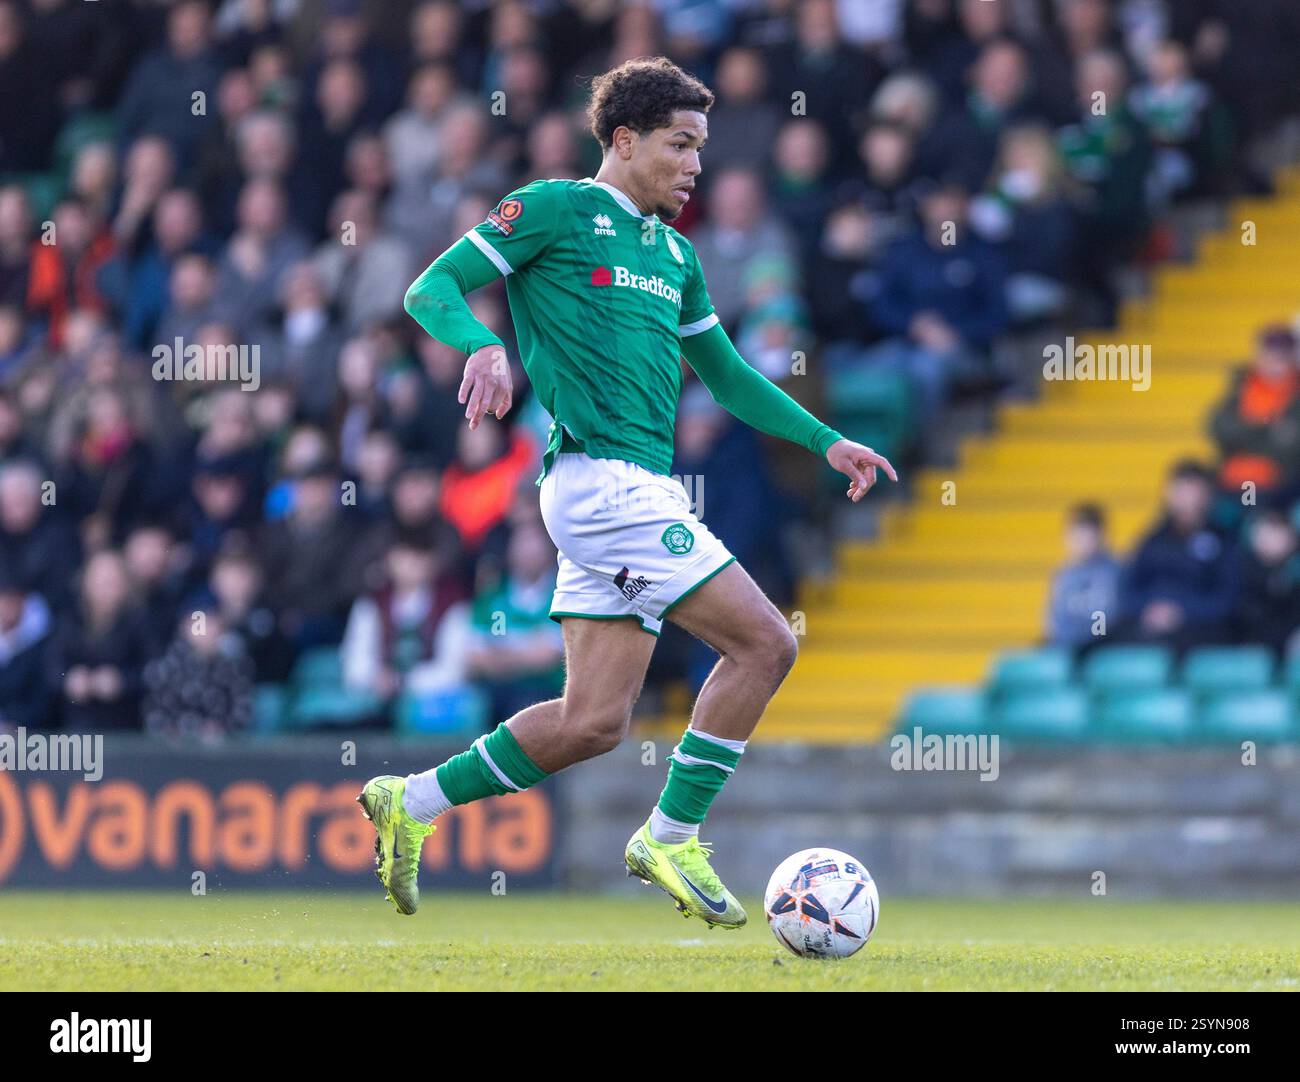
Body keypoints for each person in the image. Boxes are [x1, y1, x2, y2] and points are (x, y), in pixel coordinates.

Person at [358, 57, 896, 927]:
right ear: (624, 139)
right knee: (765, 645)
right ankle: (671, 835)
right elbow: (432, 287)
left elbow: (724, 377)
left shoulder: (675, 253)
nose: (694, 166)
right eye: (680, 145)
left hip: (627, 489)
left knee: (591, 722)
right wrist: (481, 345)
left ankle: (409, 802)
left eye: (702, 149)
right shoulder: (554, 208)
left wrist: (826, 439)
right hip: (598, 482)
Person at [1046, 503, 1121, 650]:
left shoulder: (1115, 573)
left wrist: (1084, 639)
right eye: (1076, 534)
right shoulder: (1063, 575)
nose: (1080, 540)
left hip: (1101, 649)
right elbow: (1054, 623)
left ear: (1101, 536)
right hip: (1066, 647)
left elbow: (1106, 621)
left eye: (1086, 534)